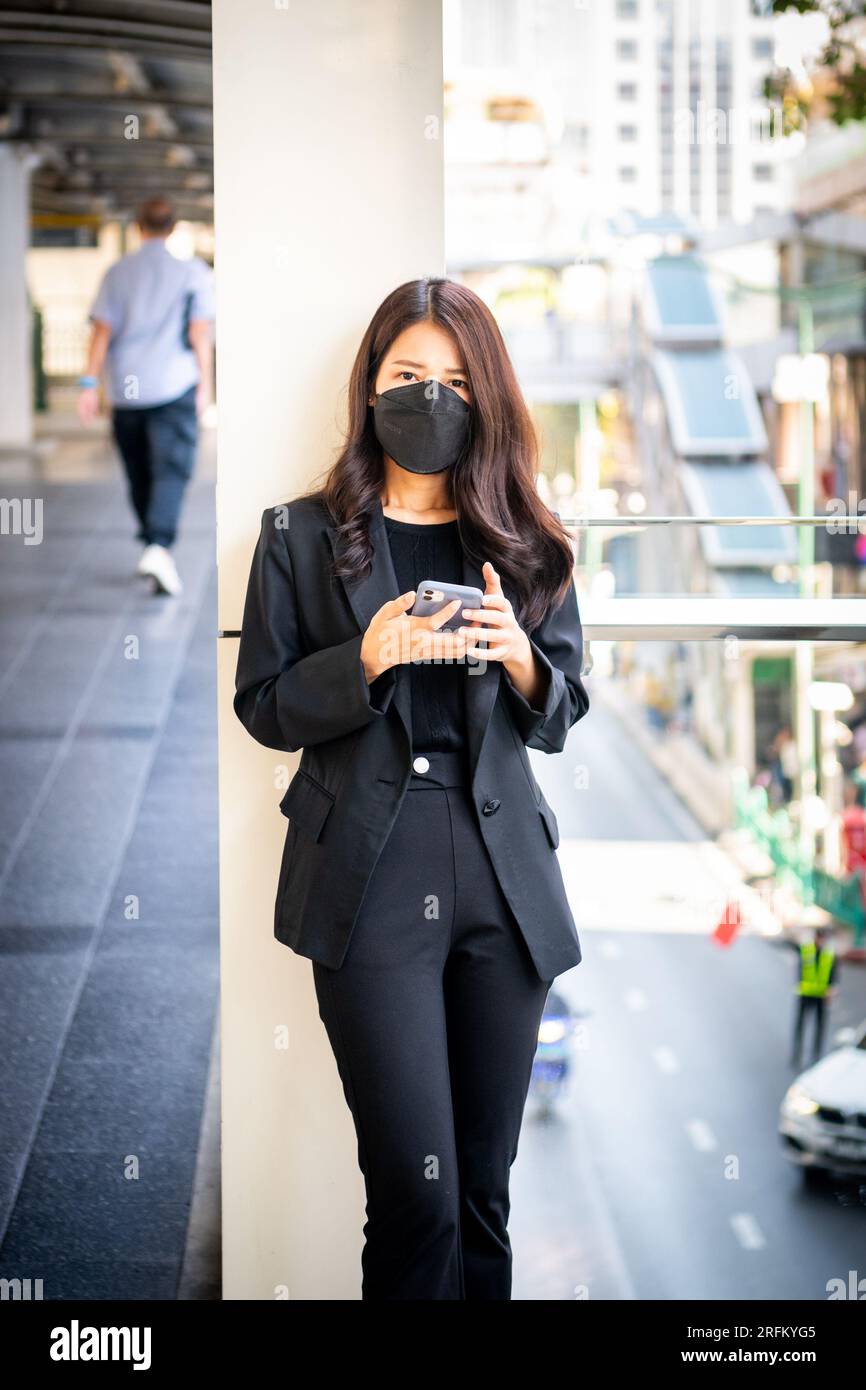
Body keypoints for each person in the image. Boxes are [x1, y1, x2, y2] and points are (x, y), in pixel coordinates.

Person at [233, 277, 590, 1300]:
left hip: (499, 877)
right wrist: (368, 658)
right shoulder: (299, 533)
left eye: (452, 381)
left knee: (481, 1192)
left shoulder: (528, 536)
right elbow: (261, 703)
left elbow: (564, 711)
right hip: (367, 872)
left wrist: (519, 658)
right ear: (370, 385)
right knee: (413, 1195)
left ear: (485, 398)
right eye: (407, 377)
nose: (428, 399)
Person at [78, 197, 216, 596]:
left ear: (139, 226)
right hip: (173, 388)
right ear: (173, 227)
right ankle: (158, 546)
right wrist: (205, 385)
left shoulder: (118, 272)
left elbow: (101, 332)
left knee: (139, 472)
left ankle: (154, 545)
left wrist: (89, 385)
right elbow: (198, 333)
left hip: (126, 391)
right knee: (170, 471)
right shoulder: (192, 272)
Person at [790, 925, 838, 1069]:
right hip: (805, 995)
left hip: (820, 997)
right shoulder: (806, 950)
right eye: (819, 937)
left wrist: (832, 989)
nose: (820, 940)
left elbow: (833, 974)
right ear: (816, 937)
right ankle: (796, 1054)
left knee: (819, 1028)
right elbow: (792, 946)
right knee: (800, 1026)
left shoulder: (829, 955)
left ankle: (816, 1056)